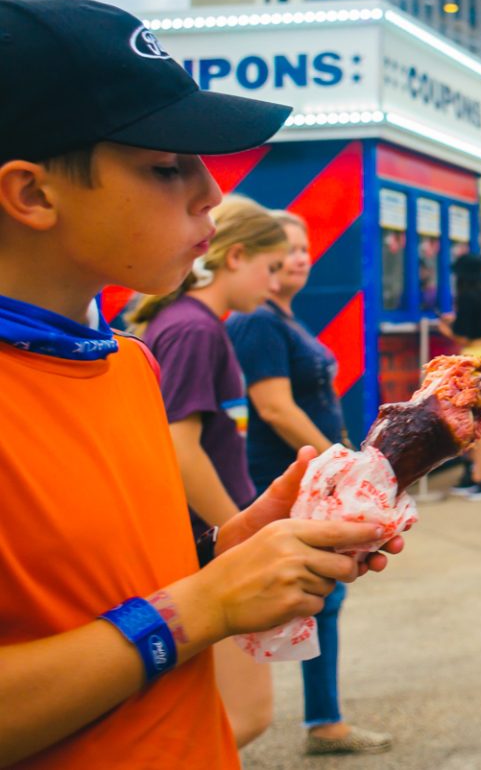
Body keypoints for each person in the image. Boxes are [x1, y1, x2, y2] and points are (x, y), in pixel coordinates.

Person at [0, 0, 399, 769]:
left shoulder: (127, 362)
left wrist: (229, 547)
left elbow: (110, 590)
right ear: (31, 194)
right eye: (165, 166)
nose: (211, 194)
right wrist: (205, 604)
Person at [228, 211, 394, 757]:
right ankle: (317, 722)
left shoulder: (282, 319)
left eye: (304, 247)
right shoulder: (258, 323)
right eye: (286, 248)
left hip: (312, 482)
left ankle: (324, 718)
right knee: (315, 595)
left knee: (326, 596)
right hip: (289, 482)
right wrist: (338, 464)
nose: (298, 256)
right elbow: (273, 406)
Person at [130, 196, 292, 748]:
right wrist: (238, 536)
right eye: (271, 267)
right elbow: (180, 448)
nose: (274, 284)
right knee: (240, 717)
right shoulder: (194, 330)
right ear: (235, 255)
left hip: (201, 545)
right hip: (206, 547)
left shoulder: (190, 323)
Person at [439, 252, 481, 498]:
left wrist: (446, 328)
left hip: (477, 357)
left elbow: (462, 335)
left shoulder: (466, 296)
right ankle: (480, 477)